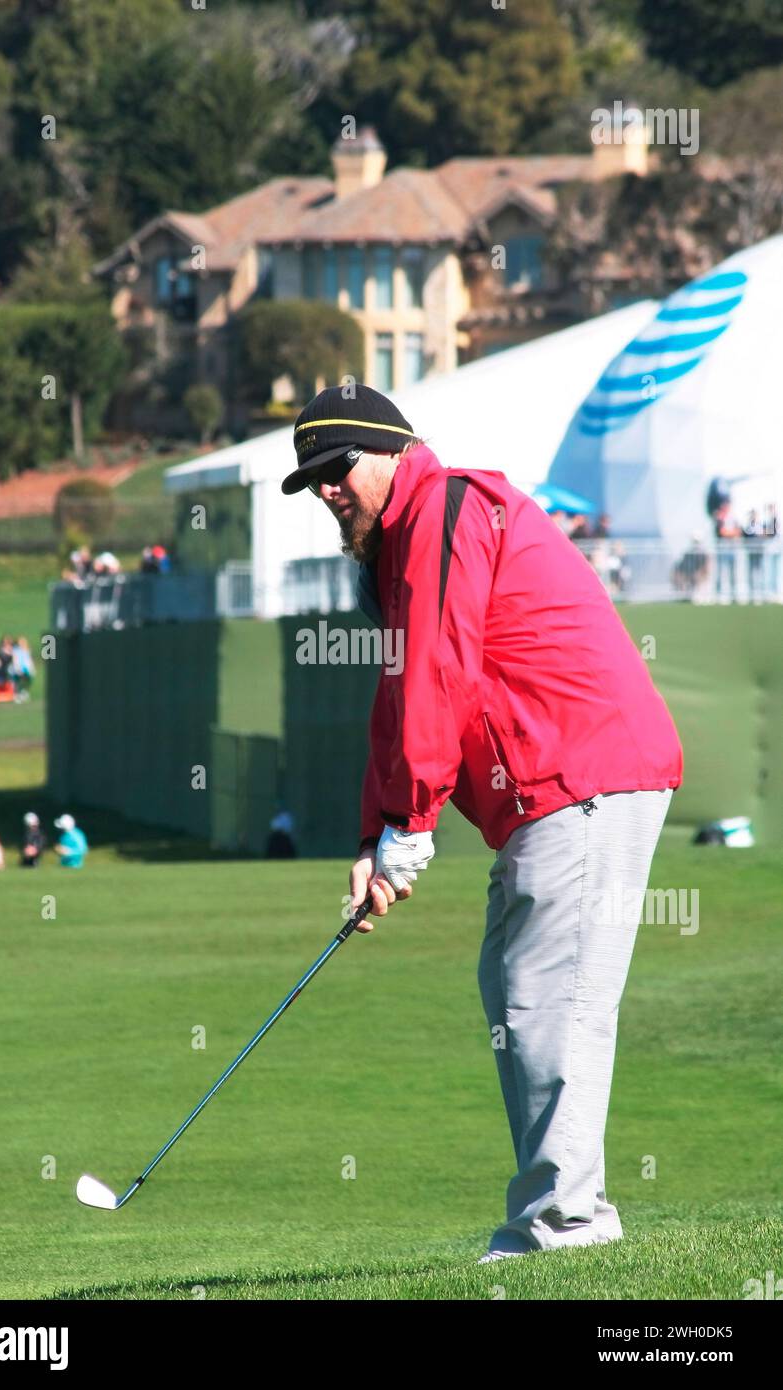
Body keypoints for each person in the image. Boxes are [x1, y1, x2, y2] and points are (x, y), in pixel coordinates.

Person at [281, 383, 683, 1264]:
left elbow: (437, 671)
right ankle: (566, 1214)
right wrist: (372, 836)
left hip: (586, 772)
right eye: (310, 478)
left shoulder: (444, 508)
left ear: (391, 449)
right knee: (513, 987)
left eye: (336, 467)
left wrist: (411, 826)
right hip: (556, 786)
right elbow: (400, 703)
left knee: (550, 999)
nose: (324, 489)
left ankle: (567, 1227)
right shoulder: (396, 547)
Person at [11, 636, 35, 701]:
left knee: (28, 679)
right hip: (17, 668)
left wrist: (31, 667)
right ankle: (16, 694)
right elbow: (15, 659)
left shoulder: (27, 649)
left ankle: (23, 692)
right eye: (20, 642)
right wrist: (17, 668)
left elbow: (29, 659)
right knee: (17, 681)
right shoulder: (15, 650)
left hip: (26, 667)